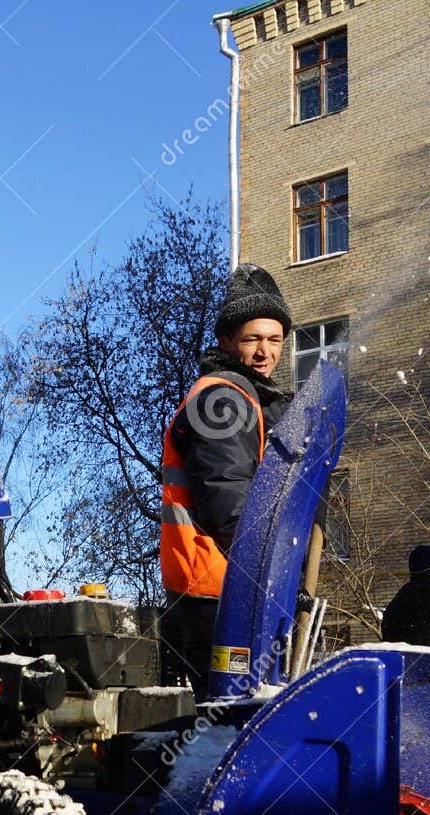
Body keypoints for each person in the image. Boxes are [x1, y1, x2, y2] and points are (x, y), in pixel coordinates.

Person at [159, 264, 294, 698]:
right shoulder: (222, 397)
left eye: (274, 340)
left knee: (236, 712)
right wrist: (271, 570)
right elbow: (227, 499)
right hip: (216, 589)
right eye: (252, 339)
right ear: (226, 341)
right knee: (228, 713)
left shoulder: (250, 399)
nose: (264, 352)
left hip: (224, 584)